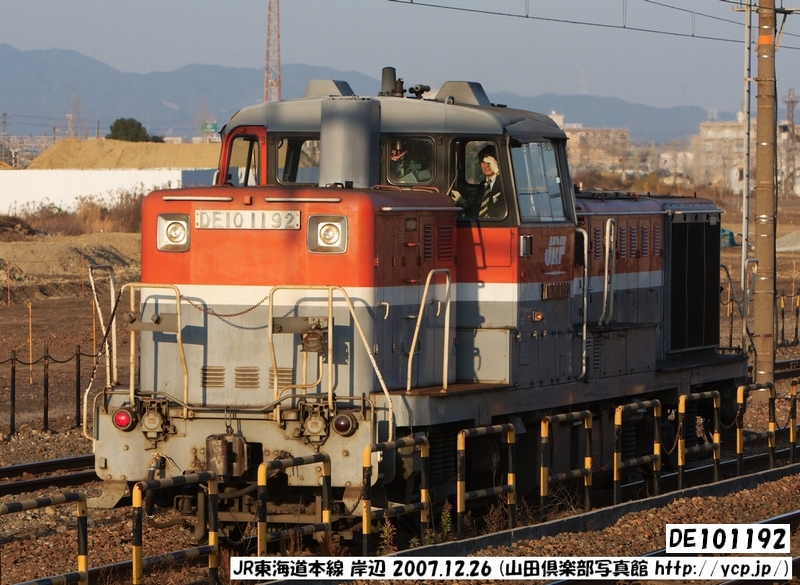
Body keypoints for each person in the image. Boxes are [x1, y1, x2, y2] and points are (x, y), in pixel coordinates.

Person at [450, 145, 505, 218]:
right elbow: (477, 211)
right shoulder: (482, 185)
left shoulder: (503, 183)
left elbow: (508, 197)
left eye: (489, 162)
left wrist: (498, 172)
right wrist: (462, 202)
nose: (486, 166)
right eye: (483, 162)